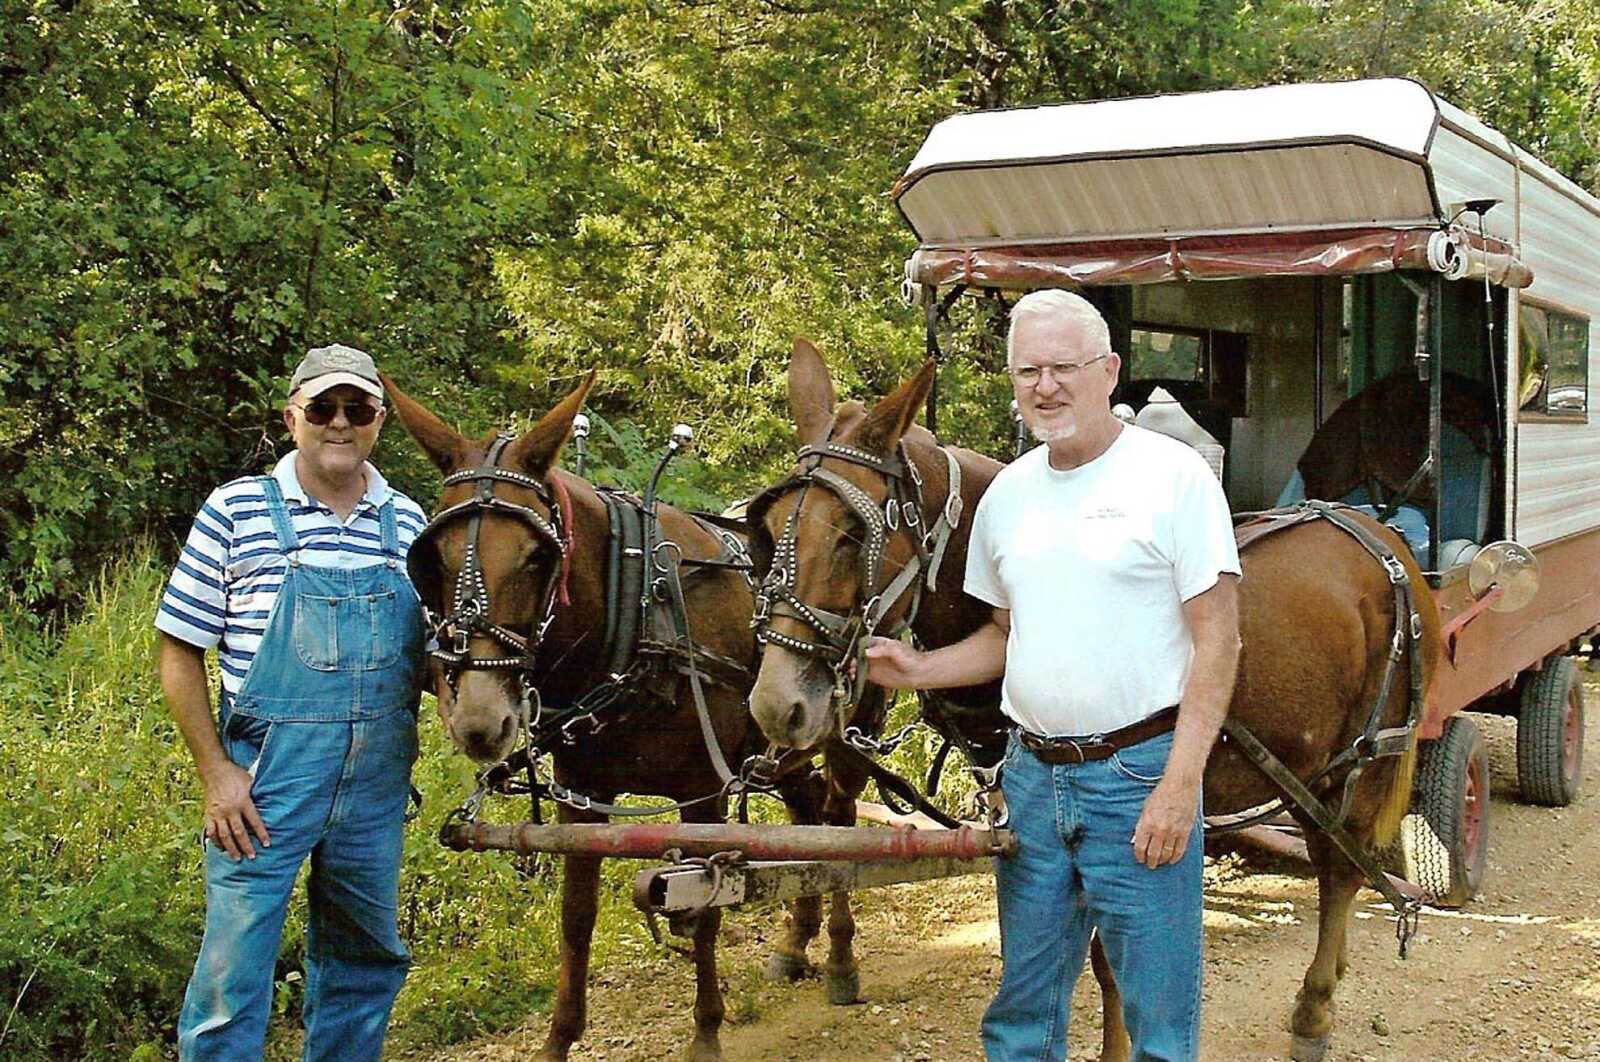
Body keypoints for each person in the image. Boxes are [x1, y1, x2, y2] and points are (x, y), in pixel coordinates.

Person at [865, 290, 1242, 1061]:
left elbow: (1219, 643)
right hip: (1034, 781)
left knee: (1159, 1024)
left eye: (1063, 367)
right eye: (1027, 370)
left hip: (1139, 777)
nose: (1045, 386)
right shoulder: (1009, 494)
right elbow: (1007, 633)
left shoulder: (1173, 479)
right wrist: (920, 670)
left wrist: (1179, 787)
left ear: (1108, 371)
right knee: (1023, 1012)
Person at [155, 344, 428, 1060]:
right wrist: (218, 773)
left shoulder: (408, 521)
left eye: (358, 409)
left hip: (375, 784)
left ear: (378, 423)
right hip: (265, 783)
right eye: (324, 407)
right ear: (292, 416)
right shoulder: (236, 510)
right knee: (232, 974)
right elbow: (178, 651)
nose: (340, 423)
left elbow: (431, 660)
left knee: (365, 962)